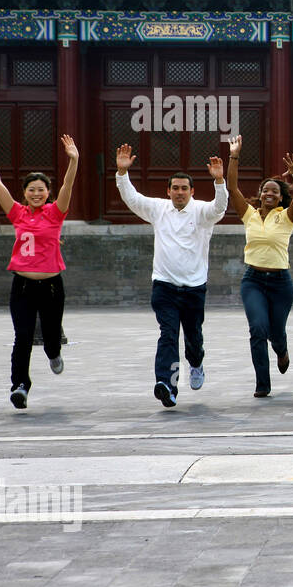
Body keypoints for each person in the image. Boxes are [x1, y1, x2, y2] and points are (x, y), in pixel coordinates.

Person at [114, 144, 228, 408]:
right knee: (168, 334)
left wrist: (219, 180)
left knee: (193, 337)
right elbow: (133, 199)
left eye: (184, 188)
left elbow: (219, 209)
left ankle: (196, 363)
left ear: (191, 191)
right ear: (168, 191)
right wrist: (122, 173)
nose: (179, 192)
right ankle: (167, 384)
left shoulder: (201, 211)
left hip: (193, 288)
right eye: (175, 188)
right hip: (164, 285)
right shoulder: (158, 209)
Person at [0, 133, 79, 408]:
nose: (36, 193)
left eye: (41, 189)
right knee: (22, 337)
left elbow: (68, 185)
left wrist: (74, 160)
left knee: (49, 338)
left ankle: (54, 353)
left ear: (48, 192)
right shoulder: (17, 213)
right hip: (22, 286)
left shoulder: (56, 213)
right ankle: (20, 385)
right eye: (31, 189)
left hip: (50, 286)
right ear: (24, 193)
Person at [225, 136, 293, 397]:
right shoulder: (248, 214)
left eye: (274, 191)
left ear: (280, 197)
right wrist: (234, 156)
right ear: (260, 194)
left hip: (281, 283)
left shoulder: (285, 217)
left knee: (276, 332)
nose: (269, 193)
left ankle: (281, 350)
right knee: (258, 328)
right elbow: (232, 187)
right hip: (253, 281)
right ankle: (262, 383)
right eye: (265, 190)